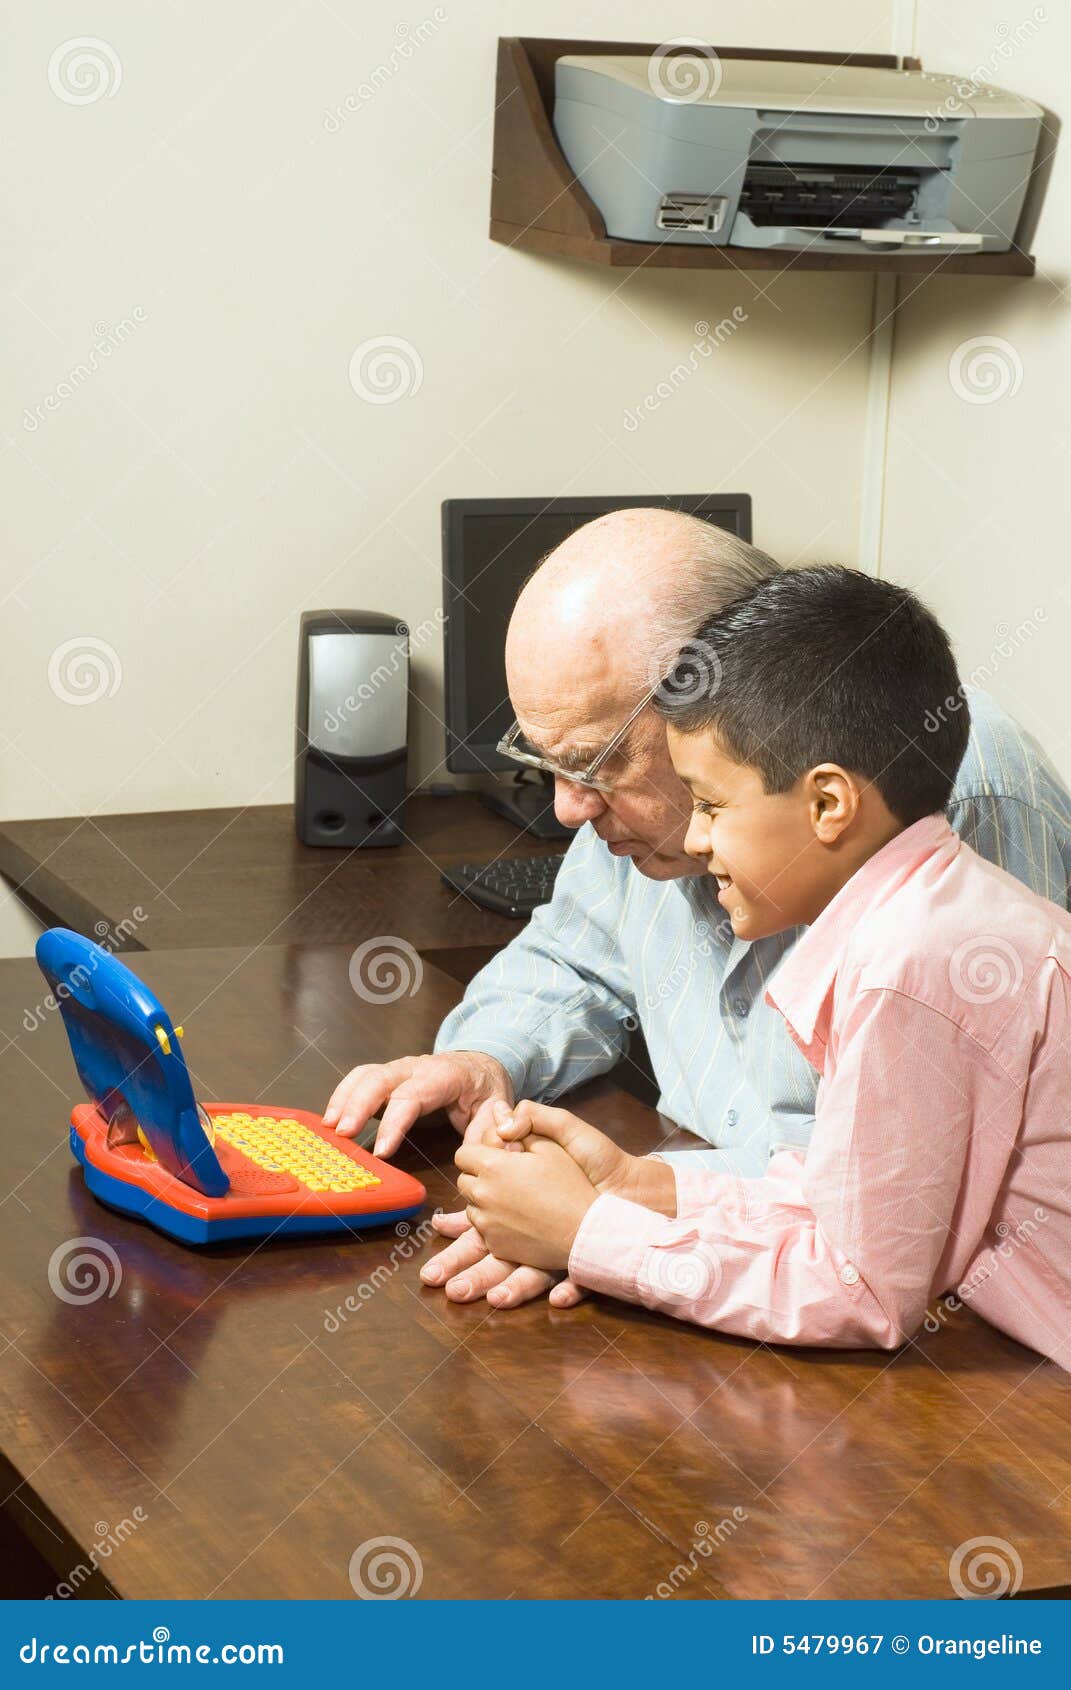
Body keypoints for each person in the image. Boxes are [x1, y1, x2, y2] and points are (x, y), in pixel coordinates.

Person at [321, 509, 1071, 1310]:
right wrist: (486, 1062)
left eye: (597, 762)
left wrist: (597, 1224)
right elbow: (570, 961)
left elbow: (902, 1218)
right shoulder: (631, 804)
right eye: (549, 764)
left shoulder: (952, 797)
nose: (571, 808)